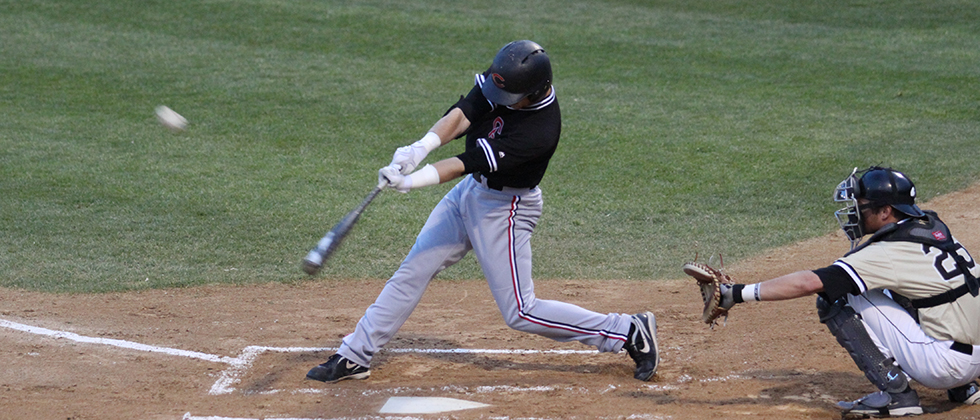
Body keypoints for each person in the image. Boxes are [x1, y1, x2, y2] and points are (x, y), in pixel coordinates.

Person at [305, 40, 660, 384]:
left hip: (506, 210)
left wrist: (412, 181)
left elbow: (466, 161)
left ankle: (626, 330)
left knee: (520, 311)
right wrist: (419, 148)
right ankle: (355, 355)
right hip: (470, 192)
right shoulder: (509, 78)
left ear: (535, 91)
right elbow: (465, 112)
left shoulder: (539, 132)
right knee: (413, 271)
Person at [711, 166, 980, 417]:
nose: (855, 213)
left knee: (837, 294)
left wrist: (737, 293)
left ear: (885, 212)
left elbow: (810, 282)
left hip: (944, 366)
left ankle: (897, 396)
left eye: (862, 207)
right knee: (921, 290)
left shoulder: (886, 252)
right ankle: (964, 388)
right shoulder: (932, 226)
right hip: (974, 359)